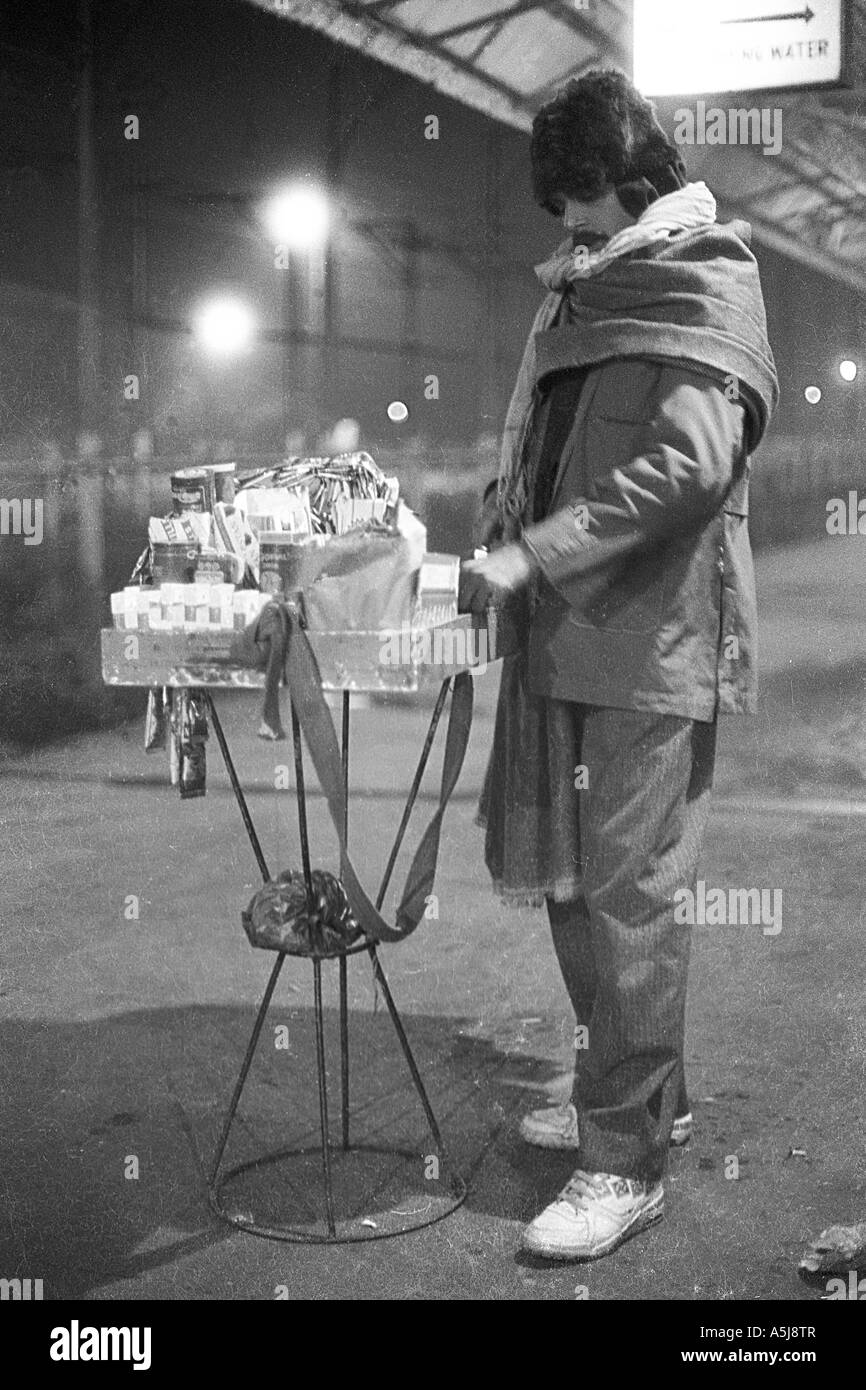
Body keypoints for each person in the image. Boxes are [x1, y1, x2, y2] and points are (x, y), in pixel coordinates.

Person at [461, 68, 779, 1261]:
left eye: (579, 197)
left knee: (629, 899)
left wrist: (534, 552)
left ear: (633, 178)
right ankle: (640, 1096)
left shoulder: (703, 277)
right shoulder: (587, 290)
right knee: (569, 882)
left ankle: (622, 1162)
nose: (566, 225)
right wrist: (506, 538)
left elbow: (688, 468)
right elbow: (550, 451)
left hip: (649, 644)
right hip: (562, 634)